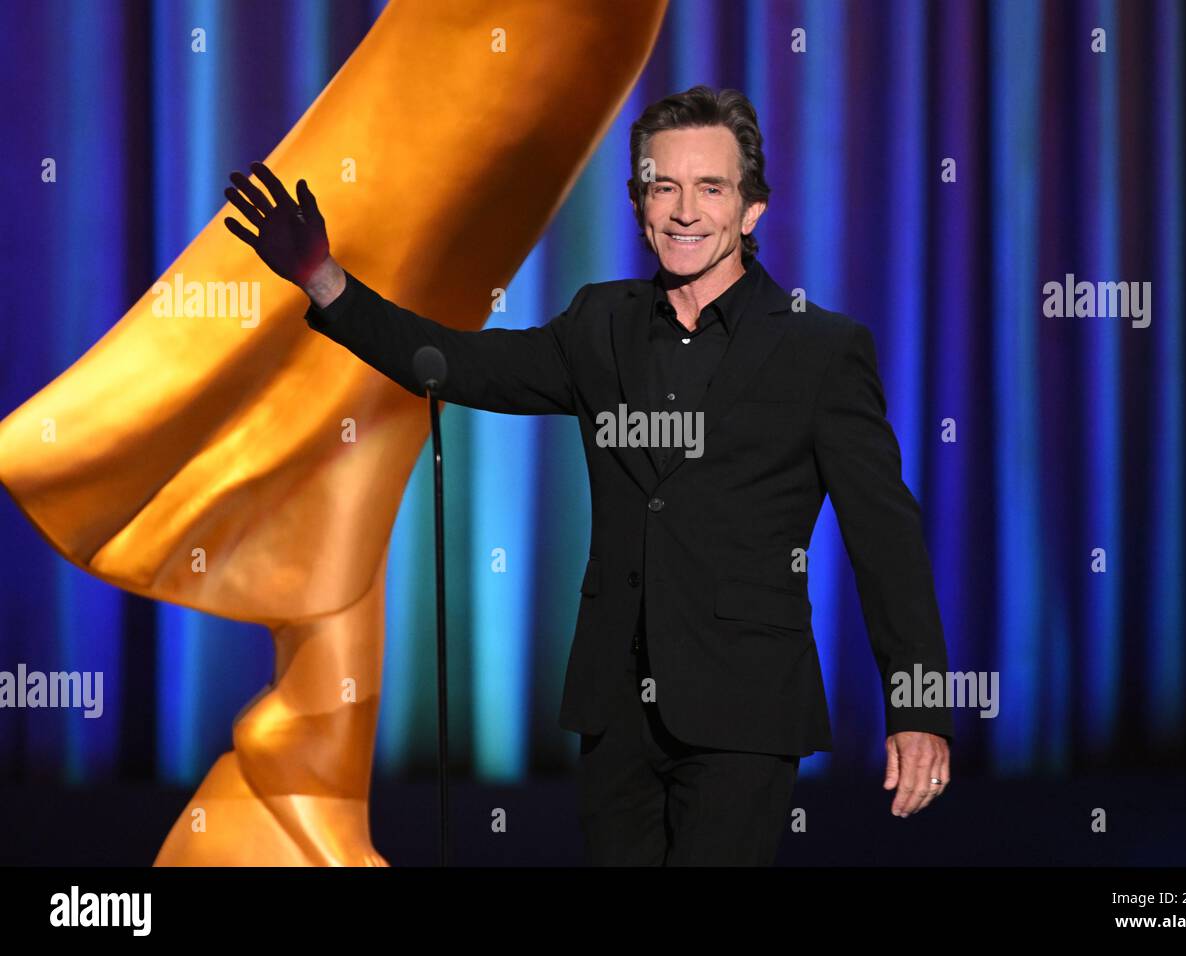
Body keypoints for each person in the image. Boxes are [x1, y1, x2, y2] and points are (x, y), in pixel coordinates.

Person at [224, 85, 953, 866]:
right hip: (616, 710)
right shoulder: (600, 324)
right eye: (663, 187)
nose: (684, 211)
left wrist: (919, 706)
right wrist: (327, 281)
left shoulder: (821, 350)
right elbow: (457, 364)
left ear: (752, 210)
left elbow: (887, 540)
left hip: (746, 709)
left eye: (711, 188)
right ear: (638, 204)